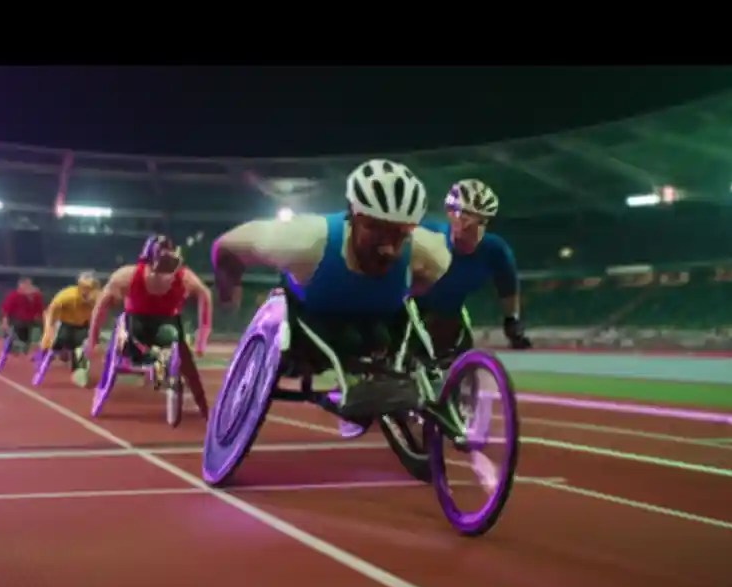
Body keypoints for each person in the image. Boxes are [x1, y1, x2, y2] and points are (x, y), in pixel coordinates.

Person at [210, 158, 451, 417]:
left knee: (389, 330)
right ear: (352, 216)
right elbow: (226, 247)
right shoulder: (304, 241)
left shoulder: (430, 254)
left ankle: (402, 370)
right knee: (343, 340)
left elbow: (419, 289)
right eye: (375, 230)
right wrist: (229, 291)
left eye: (400, 234)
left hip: (374, 323)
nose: (389, 248)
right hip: (312, 323)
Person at [413, 179, 531, 355]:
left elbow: (508, 286)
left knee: (456, 347)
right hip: (407, 307)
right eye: (464, 216)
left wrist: (511, 322)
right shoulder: (427, 235)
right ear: (450, 215)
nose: (471, 227)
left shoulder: (496, 251)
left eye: (481, 221)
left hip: (447, 314)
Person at [85, 234, 213, 378]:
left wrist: (202, 336)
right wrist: (92, 339)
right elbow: (101, 305)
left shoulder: (185, 278)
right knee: (129, 333)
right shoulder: (127, 276)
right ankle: (143, 356)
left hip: (165, 328)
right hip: (137, 329)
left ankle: (160, 358)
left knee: (171, 335)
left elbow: (204, 295)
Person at [40, 271, 100, 387]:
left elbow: (99, 317)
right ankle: (47, 355)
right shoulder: (67, 296)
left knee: (82, 347)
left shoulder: (98, 299)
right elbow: (50, 313)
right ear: (80, 287)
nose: (89, 292)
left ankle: (79, 371)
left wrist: (94, 334)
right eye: (86, 288)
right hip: (64, 323)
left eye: (92, 288)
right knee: (57, 341)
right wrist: (48, 331)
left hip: (83, 325)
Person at [0, 276, 44, 356]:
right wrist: (4, 322)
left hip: (30, 321)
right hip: (17, 320)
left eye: (29, 284)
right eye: (26, 284)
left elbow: (40, 311)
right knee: (18, 330)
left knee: (43, 326)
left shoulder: (36, 296)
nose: (29, 287)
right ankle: (11, 344)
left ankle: (43, 346)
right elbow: (5, 311)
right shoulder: (13, 295)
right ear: (20, 285)